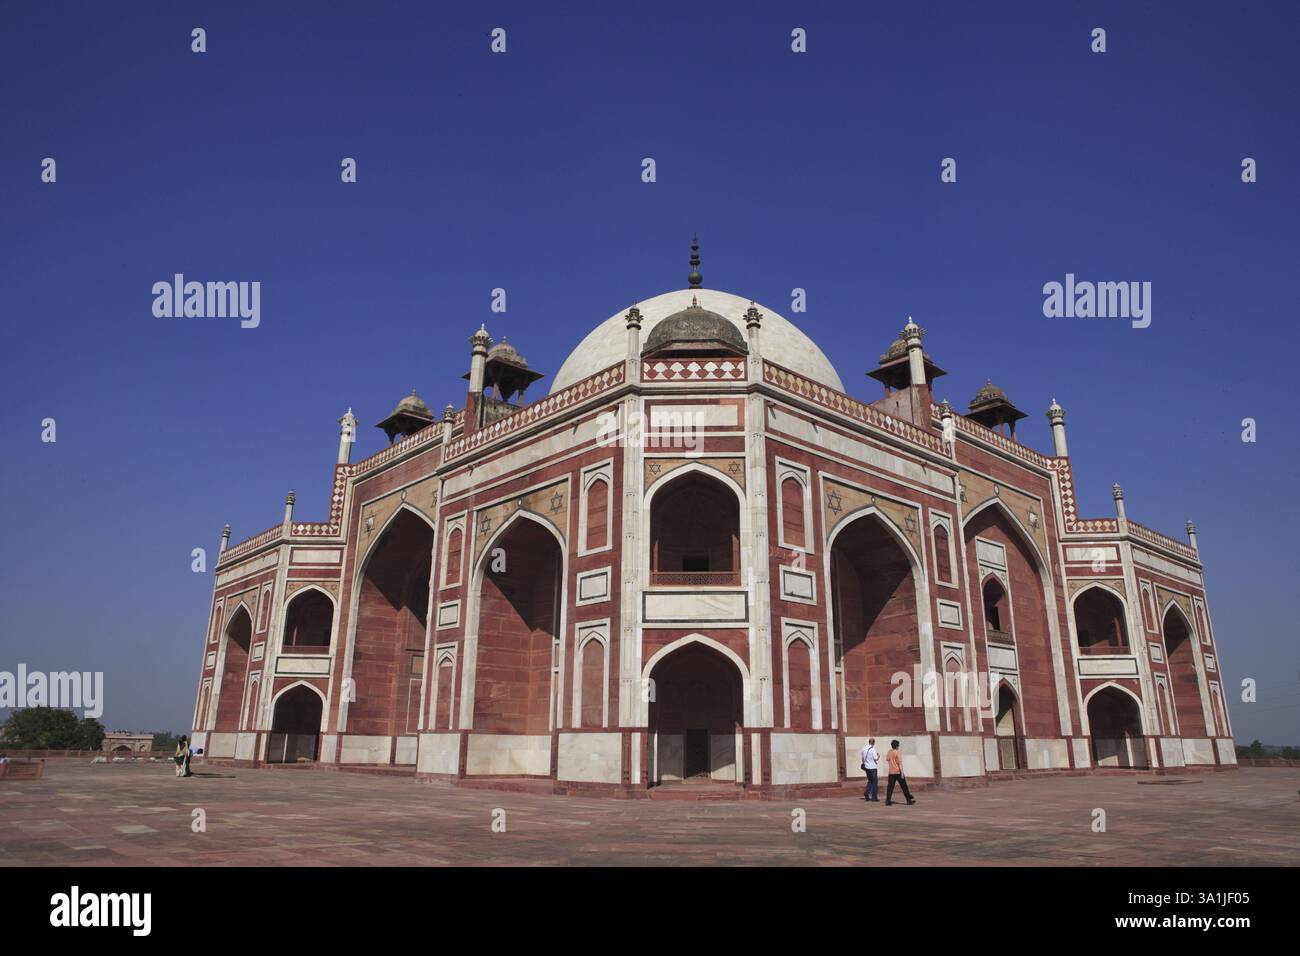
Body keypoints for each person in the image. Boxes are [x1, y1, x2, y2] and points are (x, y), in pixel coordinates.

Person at [884, 739, 916, 805]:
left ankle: (888, 800)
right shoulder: (898, 753)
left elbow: (887, 759)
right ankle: (908, 800)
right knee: (904, 786)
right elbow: (900, 763)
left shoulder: (889, 752)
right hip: (898, 772)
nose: (898, 746)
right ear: (896, 746)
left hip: (891, 772)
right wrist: (902, 773)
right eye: (898, 745)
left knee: (890, 787)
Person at [860, 738, 880, 802]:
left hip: (866, 767)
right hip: (873, 768)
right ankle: (874, 797)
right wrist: (878, 756)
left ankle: (866, 793)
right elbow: (875, 758)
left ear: (869, 742)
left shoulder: (864, 748)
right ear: (873, 743)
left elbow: (862, 758)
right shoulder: (873, 749)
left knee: (870, 781)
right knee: (874, 782)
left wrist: (865, 763)